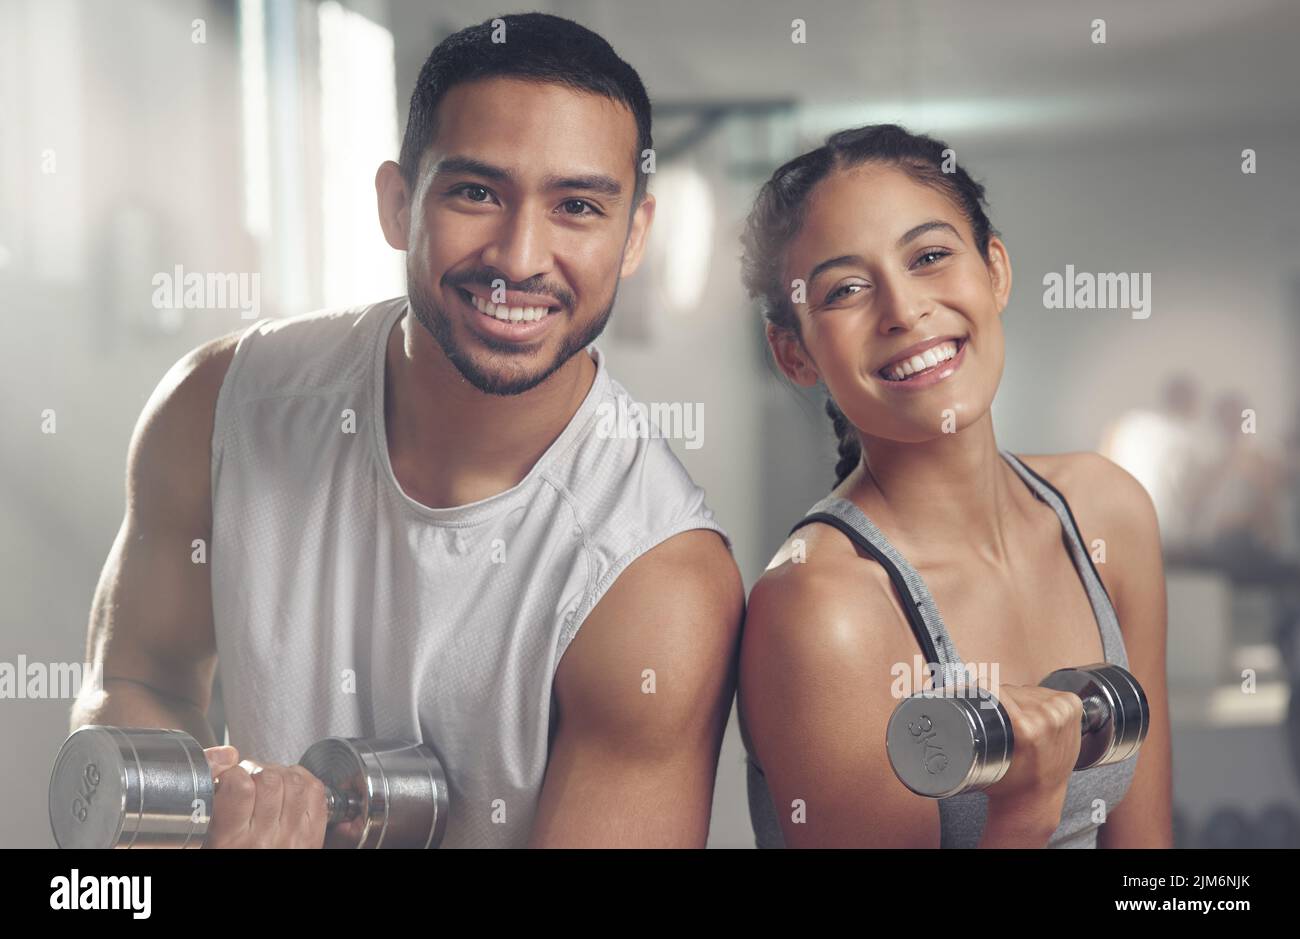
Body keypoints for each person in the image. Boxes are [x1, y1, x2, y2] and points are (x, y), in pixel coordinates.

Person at [70, 13, 743, 848]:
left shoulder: (654, 577)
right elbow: (136, 676)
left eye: (577, 206)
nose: (521, 257)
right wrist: (199, 805)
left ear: (634, 234)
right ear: (397, 203)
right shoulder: (219, 406)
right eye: (476, 192)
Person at [736, 124, 1172, 847]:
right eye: (845, 289)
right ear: (794, 352)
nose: (904, 311)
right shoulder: (821, 608)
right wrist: (1025, 807)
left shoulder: (1107, 512)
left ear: (994, 270)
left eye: (931, 256)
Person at [1099, 373, 1206, 550]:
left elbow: (1101, 466)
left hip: (1120, 527)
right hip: (1166, 538)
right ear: (1192, 404)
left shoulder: (1128, 422)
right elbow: (1194, 499)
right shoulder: (1189, 440)